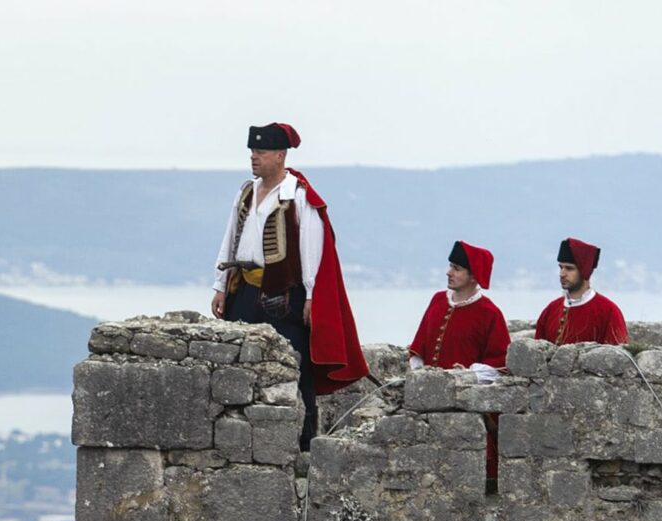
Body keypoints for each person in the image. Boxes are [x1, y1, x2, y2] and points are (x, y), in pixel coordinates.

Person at [210, 122, 369, 449]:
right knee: (239, 363)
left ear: (280, 155)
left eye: (262, 152)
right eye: (253, 151)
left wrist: (311, 296)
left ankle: (306, 441)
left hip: (283, 296)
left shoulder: (297, 197)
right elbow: (230, 239)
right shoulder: (245, 192)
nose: (254, 157)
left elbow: (313, 249)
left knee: (297, 368)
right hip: (245, 292)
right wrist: (220, 285)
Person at [408, 241, 510, 491]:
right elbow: (418, 348)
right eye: (450, 266)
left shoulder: (489, 313)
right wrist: (421, 375)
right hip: (427, 405)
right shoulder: (436, 301)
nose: (449, 272)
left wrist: (469, 374)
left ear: (473, 275)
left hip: (466, 410)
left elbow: (500, 364)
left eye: (456, 268)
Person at [534, 237, 628, 346]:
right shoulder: (551, 309)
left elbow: (617, 357)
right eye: (561, 267)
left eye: (569, 268)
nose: (562, 274)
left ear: (584, 270)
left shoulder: (608, 311)